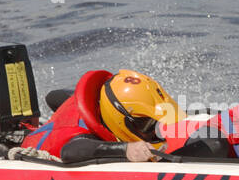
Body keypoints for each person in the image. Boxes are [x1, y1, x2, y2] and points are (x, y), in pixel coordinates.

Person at [23, 69, 183, 163]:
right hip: (33, 150)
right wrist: (126, 149)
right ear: (120, 119)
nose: (155, 131)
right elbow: (70, 151)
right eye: (148, 125)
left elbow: (53, 96)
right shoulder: (78, 137)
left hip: (59, 123)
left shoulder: (95, 100)